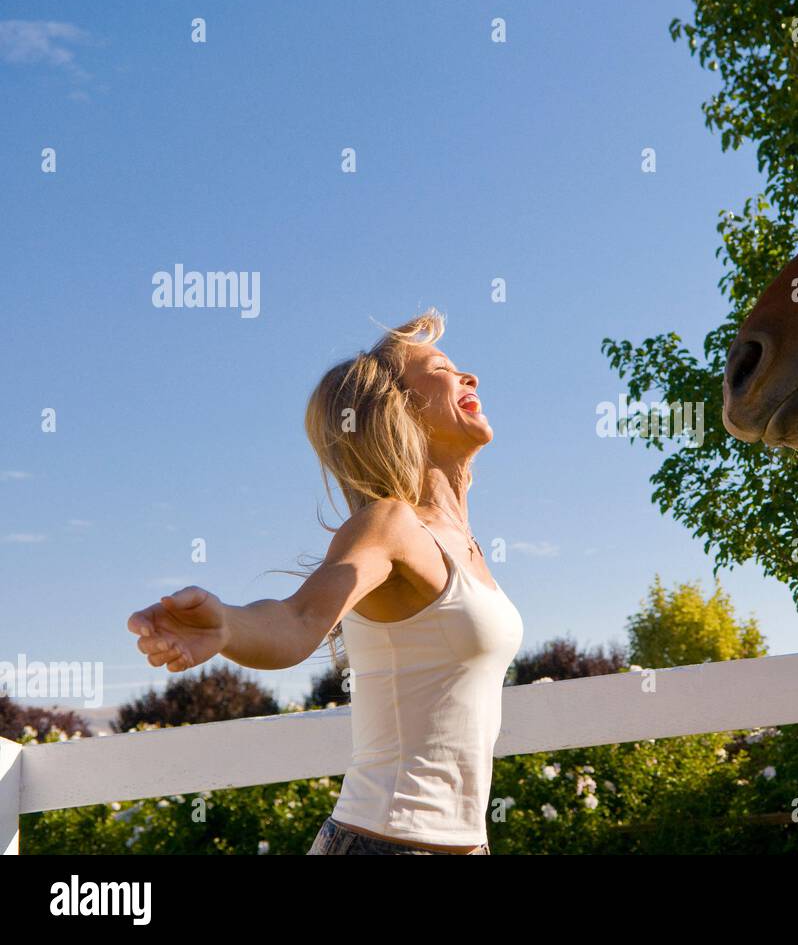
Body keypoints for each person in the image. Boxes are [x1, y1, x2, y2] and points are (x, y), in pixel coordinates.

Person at [126, 309, 522, 855]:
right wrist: (226, 625)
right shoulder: (390, 525)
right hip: (384, 843)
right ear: (397, 410)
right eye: (441, 367)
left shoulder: (466, 546)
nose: (468, 376)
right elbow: (298, 619)